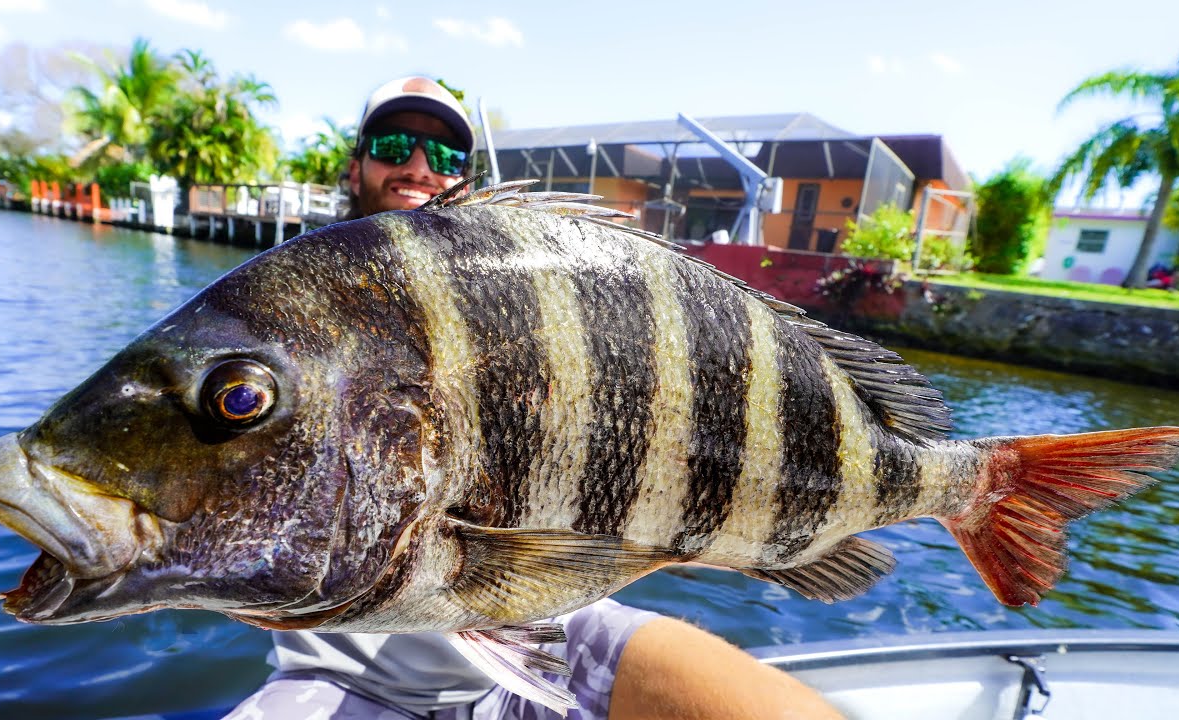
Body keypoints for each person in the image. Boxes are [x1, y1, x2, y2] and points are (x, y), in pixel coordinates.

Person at [226, 76, 843, 720]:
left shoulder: (530, 303)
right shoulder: (285, 317)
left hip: (546, 623)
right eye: (392, 145)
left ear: (464, 177)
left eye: (443, 154)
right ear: (356, 168)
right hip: (343, 679)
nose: (418, 166)